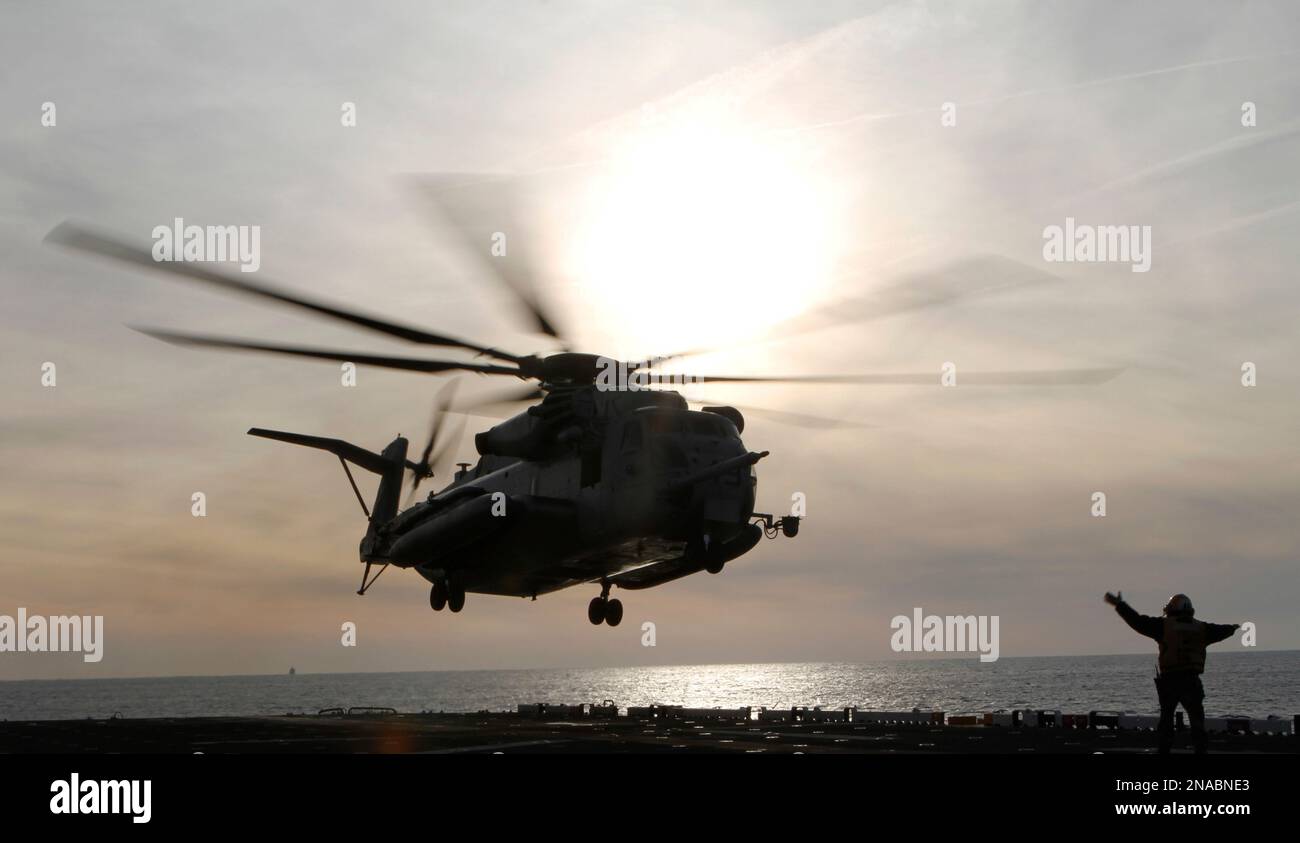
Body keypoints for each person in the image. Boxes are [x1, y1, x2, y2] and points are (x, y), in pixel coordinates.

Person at [1104, 592, 1239, 753]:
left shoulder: (1164, 626)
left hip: (1170, 681)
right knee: (1197, 723)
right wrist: (1233, 628)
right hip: (1192, 681)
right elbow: (1222, 630)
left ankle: (1164, 751)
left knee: (1166, 720)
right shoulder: (1203, 628)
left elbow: (1138, 622)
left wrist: (1120, 605)